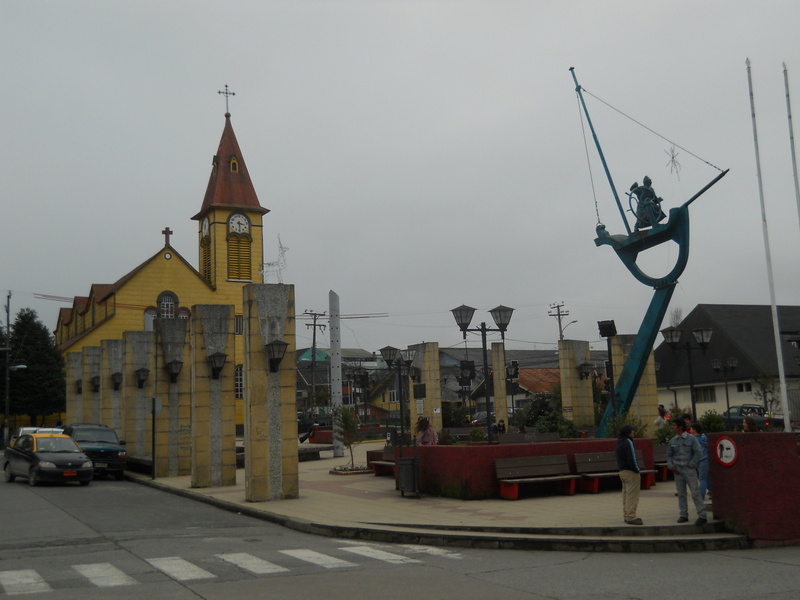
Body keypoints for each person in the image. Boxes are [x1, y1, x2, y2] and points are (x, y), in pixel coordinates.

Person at [666, 419, 707, 526]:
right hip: (677, 470)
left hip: (689, 469)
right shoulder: (672, 441)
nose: (672, 427)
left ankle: (702, 515)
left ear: (680, 427)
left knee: (695, 492)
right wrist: (671, 466)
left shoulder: (691, 439)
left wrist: (692, 464)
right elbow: (669, 455)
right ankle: (683, 514)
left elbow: (698, 452)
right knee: (681, 493)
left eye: (674, 425)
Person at [615, 424, 642, 525]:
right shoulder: (628, 442)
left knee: (626, 495)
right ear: (628, 433)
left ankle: (626, 515)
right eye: (632, 431)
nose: (634, 433)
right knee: (632, 495)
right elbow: (632, 458)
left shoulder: (619, 441)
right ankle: (631, 516)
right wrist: (637, 469)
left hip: (622, 471)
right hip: (630, 472)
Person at [693, 423, 709, 500]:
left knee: (702, 477)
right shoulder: (699, 438)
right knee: (706, 477)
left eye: (691, 429)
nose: (690, 430)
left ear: (695, 430)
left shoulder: (701, 438)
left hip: (703, 459)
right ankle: (713, 492)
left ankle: (701, 495)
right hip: (699, 460)